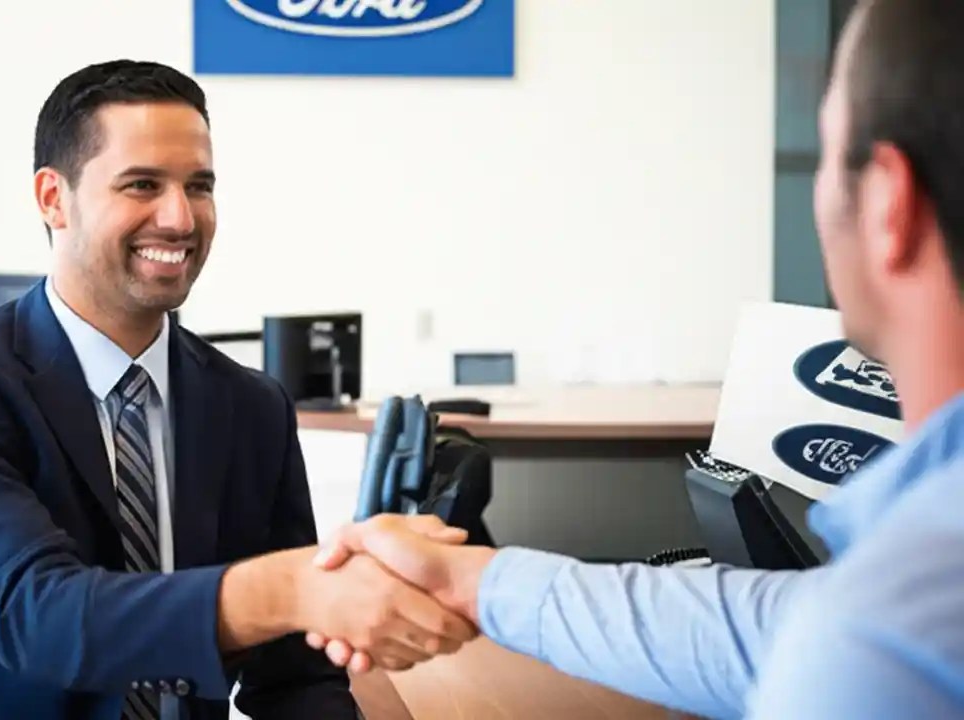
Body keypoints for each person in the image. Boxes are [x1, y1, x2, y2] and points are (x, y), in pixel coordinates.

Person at [308, 1, 964, 717]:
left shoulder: (900, 618)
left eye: (829, 152)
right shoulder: (905, 586)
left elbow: (838, 638)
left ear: (887, 204)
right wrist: (476, 582)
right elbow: (783, 625)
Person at [0, 60, 476, 720]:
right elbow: (37, 616)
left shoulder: (251, 407)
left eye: (199, 186)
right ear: (53, 198)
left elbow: (292, 675)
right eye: (142, 184)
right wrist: (296, 588)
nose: (180, 218)